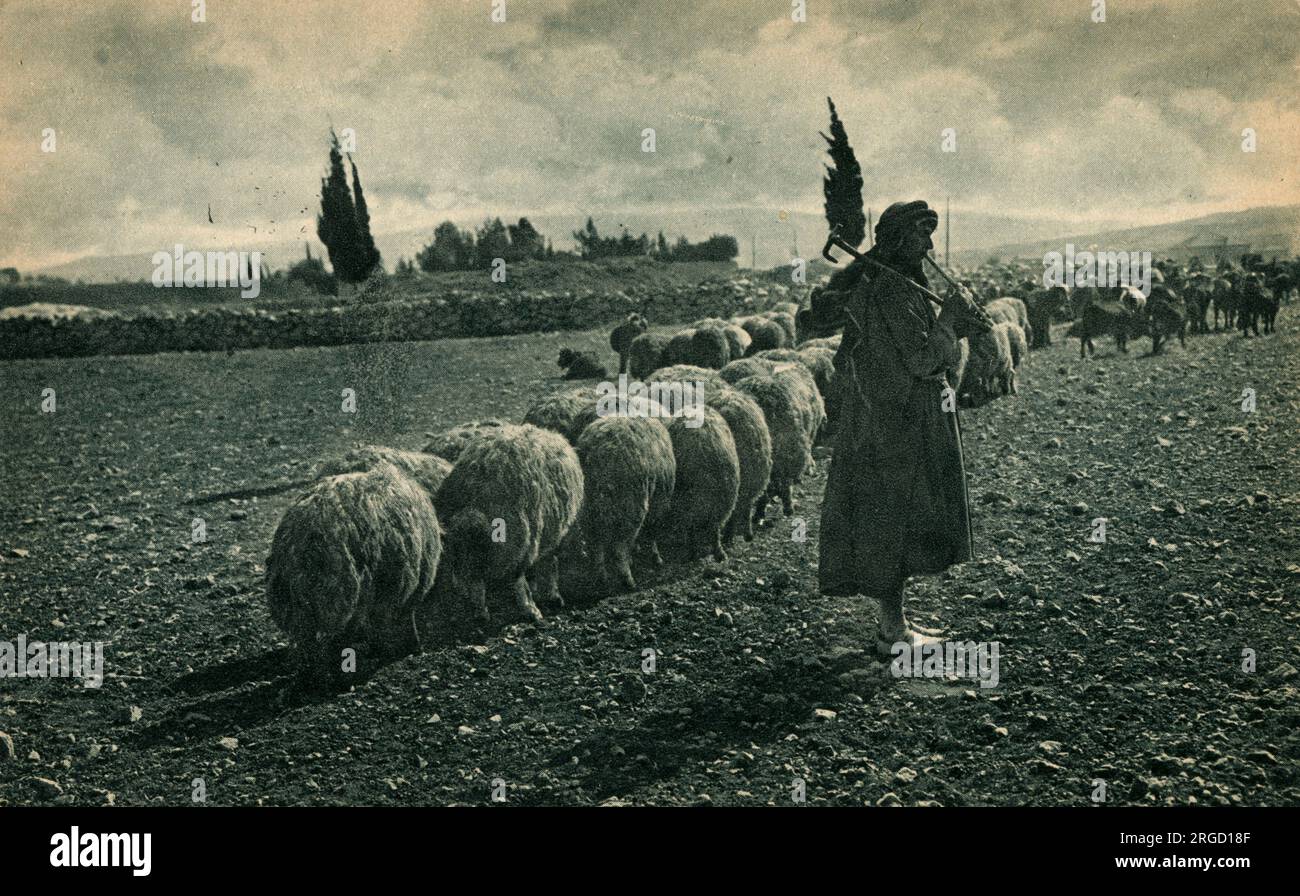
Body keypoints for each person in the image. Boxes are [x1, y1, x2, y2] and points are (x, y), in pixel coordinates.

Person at [817, 200, 976, 656]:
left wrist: (955, 325)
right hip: (895, 427)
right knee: (892, 518)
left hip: (902, 421)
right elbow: (922, 360)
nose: (929, 245)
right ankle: (892, 631)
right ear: (898, 240)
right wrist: (949, 321)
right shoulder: (888, 292)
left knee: (900, 521)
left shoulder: (901, 287)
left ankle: (895, 624)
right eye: (921, 235)